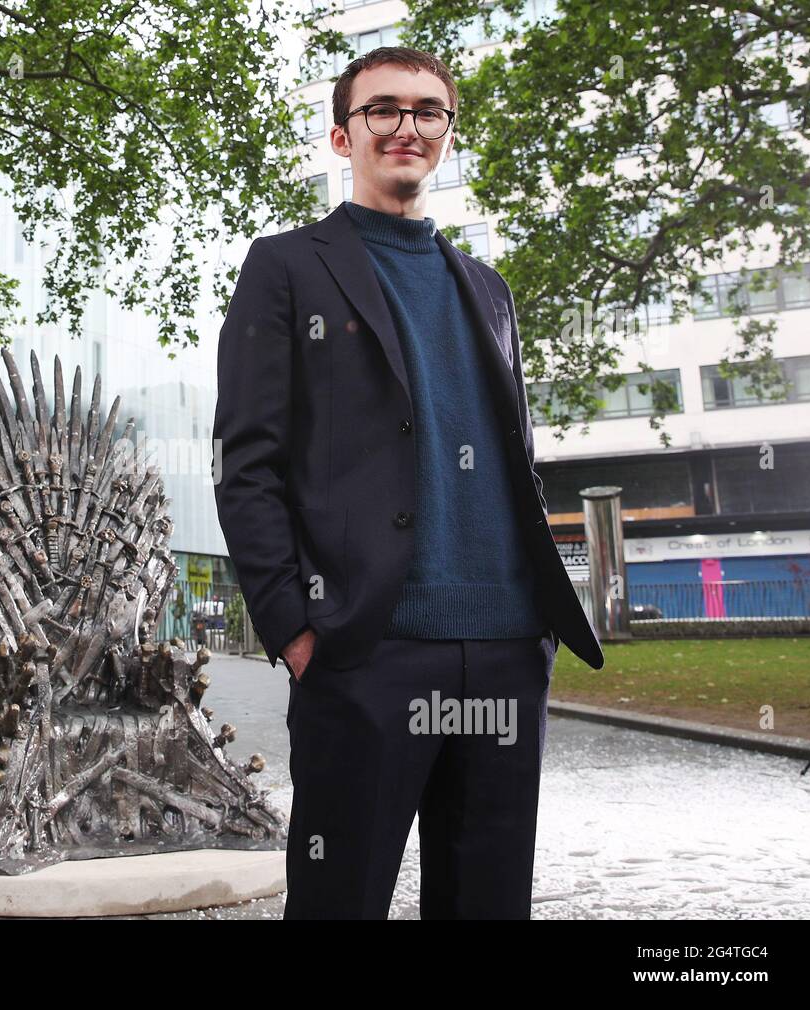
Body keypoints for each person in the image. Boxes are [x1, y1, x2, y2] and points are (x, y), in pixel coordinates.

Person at [212, 46, 604, 920]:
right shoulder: (285, 266)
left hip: (505, 653)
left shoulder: (488, 288)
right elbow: (248, 465)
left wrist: (537, 633)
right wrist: (294, 632)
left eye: (428, 111)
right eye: (382, 110)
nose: (406, 127)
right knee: (339, 902)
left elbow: (518, 463)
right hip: (365, 653)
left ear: (447, 133)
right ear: (340, 135)